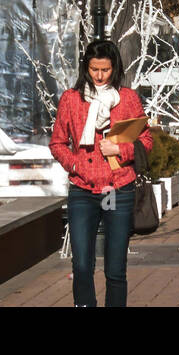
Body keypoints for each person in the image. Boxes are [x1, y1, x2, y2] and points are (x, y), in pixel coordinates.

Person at [49, 39, 152, 308]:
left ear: (114, 68)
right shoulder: (71, 99)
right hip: (83, 189)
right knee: (82, 262)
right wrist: (75, 165)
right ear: (86, 68)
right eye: (94, 69)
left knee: (115, 266)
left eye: (105, 70)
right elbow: (57, 143)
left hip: (117, 189)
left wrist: (121, 149)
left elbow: (146, 141)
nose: (99, 76)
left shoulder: (128, 98)